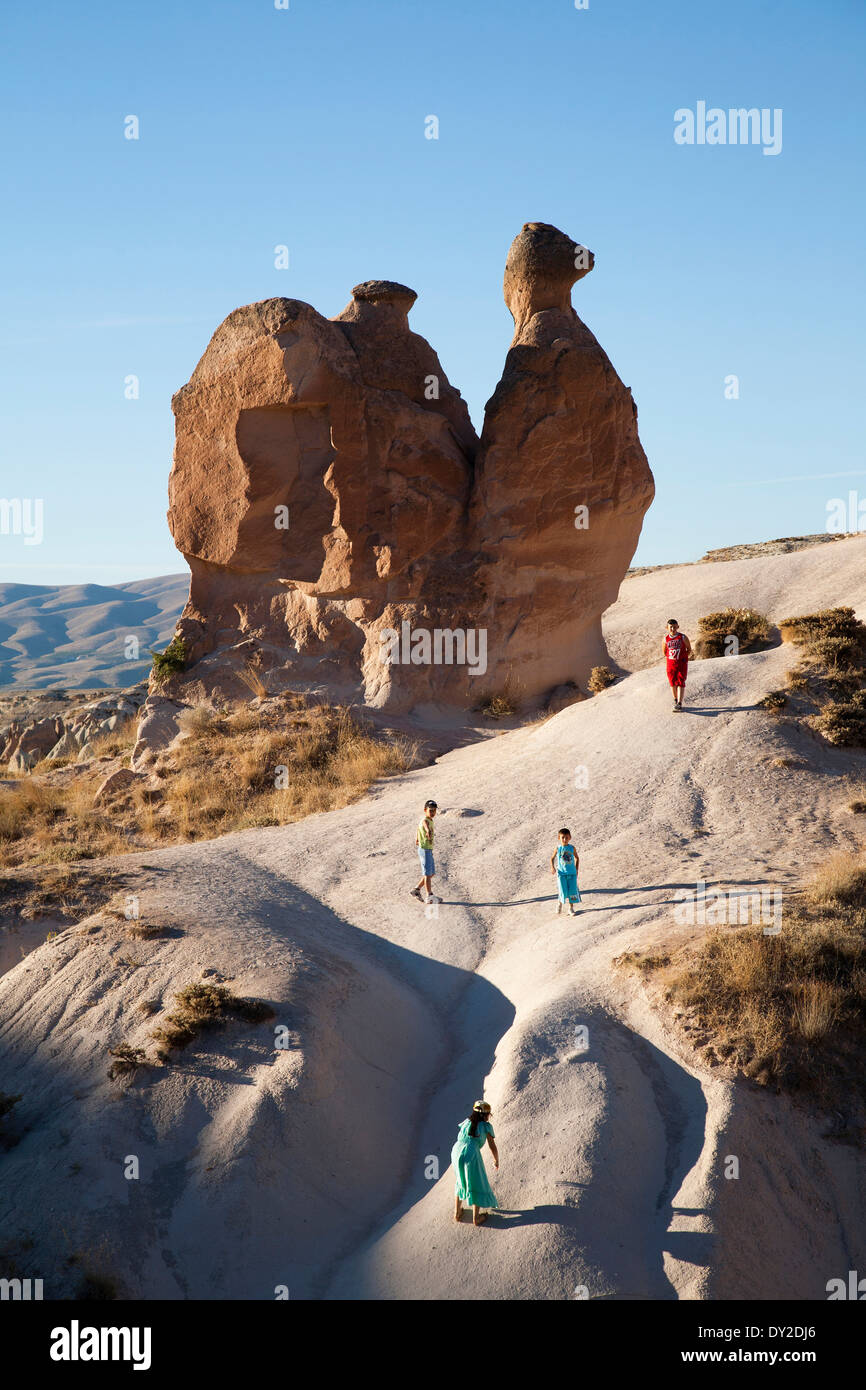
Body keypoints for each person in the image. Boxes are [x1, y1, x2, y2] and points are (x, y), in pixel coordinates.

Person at [452, 1100, 499, 1226]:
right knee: (476, 1182)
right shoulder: (485, 1126)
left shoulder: (466, 1122)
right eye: (488, 1114)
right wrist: (496, 1160)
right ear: (484, 1115)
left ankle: (457, 1213)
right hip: (471, 1152)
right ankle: (476, 1218)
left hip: (456, 1150)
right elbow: (492, 1146)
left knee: (460, 1180)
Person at [411, 799, 441, 905]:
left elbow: (418, 829)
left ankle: (416, 890)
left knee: (431, 873)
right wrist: (427, 830)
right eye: (430, 810)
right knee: (427, 874)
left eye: (434, 811)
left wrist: (417, 838)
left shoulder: (430, 820)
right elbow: (424, 824)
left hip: (428, 849)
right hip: (424, 850)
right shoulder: (425, 820)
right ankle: (429, 896)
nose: (432, 812)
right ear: (425, 810)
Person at [550, 827, 581, 915]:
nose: (564, 839)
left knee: (572, 890)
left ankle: (571, 908)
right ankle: (559, 903)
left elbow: (577, 858)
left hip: (572, 873)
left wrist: (576, 869)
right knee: (562, 890)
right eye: (562, 837)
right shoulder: (558, 848)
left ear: (570, 837)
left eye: (566, 837)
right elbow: (552, 858)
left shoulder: (572, 848)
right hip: (561, 873)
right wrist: (552, 867)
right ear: (558, 838)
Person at [664, 618, 692, 711]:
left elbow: (689, 649)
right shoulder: (665, 639)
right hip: (671, 665)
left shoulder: (683, 637)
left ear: (678, 627)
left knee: (680, 682)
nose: (673, 629)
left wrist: (683, 658)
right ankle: (675, 700)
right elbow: (665, 652)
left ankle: (680, 703)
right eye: (671, 627)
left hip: (681, 664)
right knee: (672, 683)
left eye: (675, 627)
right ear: (667, 628)